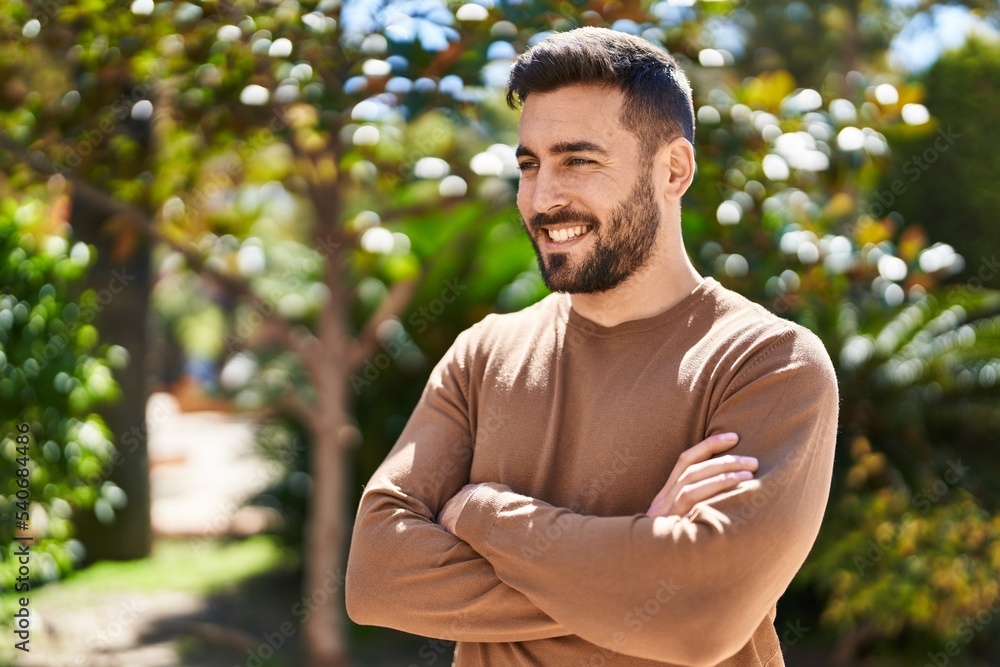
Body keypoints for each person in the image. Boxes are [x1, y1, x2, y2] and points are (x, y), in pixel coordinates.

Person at [345, 26, 839, 667]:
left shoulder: (767, 362)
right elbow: (377, 577)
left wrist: (480, 513)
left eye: (578, 160)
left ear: (673, 169)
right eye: (530, 164)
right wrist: (642, 557)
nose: (544, 197)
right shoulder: (483, 355)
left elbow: (700, 616)